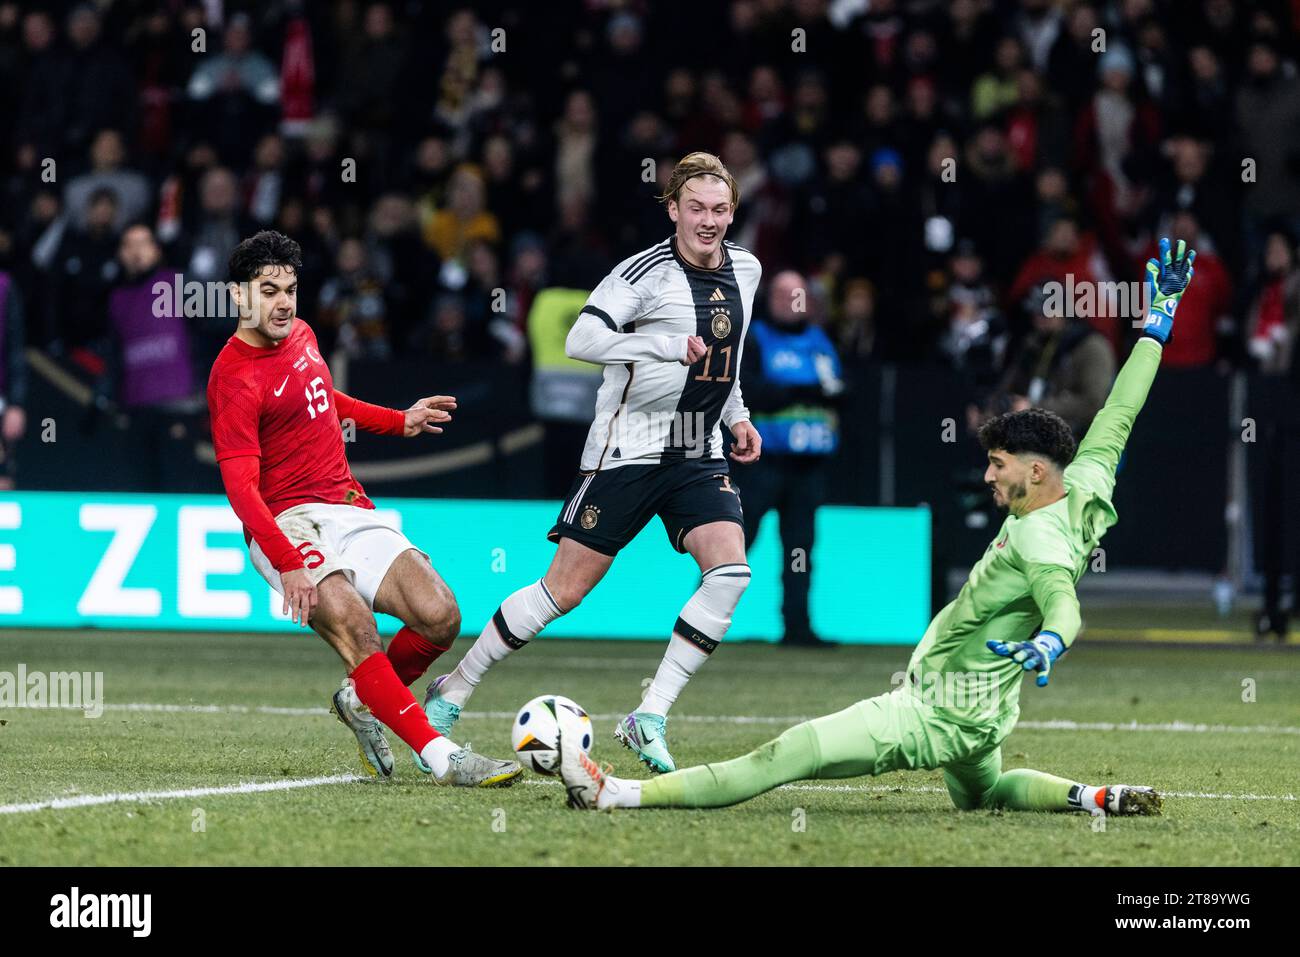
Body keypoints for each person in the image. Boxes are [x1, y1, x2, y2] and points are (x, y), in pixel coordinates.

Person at [558, 238, 1196, 816]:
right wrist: (1157, 324)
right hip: (989, 713)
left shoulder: (1039, 537)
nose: (987, 478)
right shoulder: (1087, 481)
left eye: (997, 466)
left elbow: (1063, 601)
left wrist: (1053, 642)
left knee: (788, 754)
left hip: (935, 711)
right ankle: (1093, 797)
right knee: (981, 796)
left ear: (1034, 472)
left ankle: (617, 793)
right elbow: (1121, 406)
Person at [418, 152, 763, 774]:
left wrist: (736, 415)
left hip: (696, 449)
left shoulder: (748, 269)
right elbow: (581, 339)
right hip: (627, 448)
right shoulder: (644, 272)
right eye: (696, 209)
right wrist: (658, 344)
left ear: (732, 211)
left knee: (731, 574)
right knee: (561, 593)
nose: (708, 221)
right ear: (673, 210)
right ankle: (455, 689)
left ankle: (648, 715)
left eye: (719, 209)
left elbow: (728, 359)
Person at [206, 230, 520, 787]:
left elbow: (324, 399)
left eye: (291, 290)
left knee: (441, 615)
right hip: (286, 522)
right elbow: (240, 490)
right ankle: (442, 756)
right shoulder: (233, 379)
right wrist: (289, 562)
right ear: (238, 297)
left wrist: (400, 420)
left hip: (347, 507)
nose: (283, 303)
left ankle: (362, 698)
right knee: (358, 628)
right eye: (268, 290)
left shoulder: (301, 334)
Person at [735, 269, 844, 646]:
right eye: (783, 295)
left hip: (808, 466)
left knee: (800, 550)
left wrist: (804, 392)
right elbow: (751, 391)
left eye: (797, 295)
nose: (791, 303)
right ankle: (703, 621)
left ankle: (797, 627)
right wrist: (807, 390)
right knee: (736, 544)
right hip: (762, 463)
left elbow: (843, 392)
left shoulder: (820, 342)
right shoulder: (756, 339)